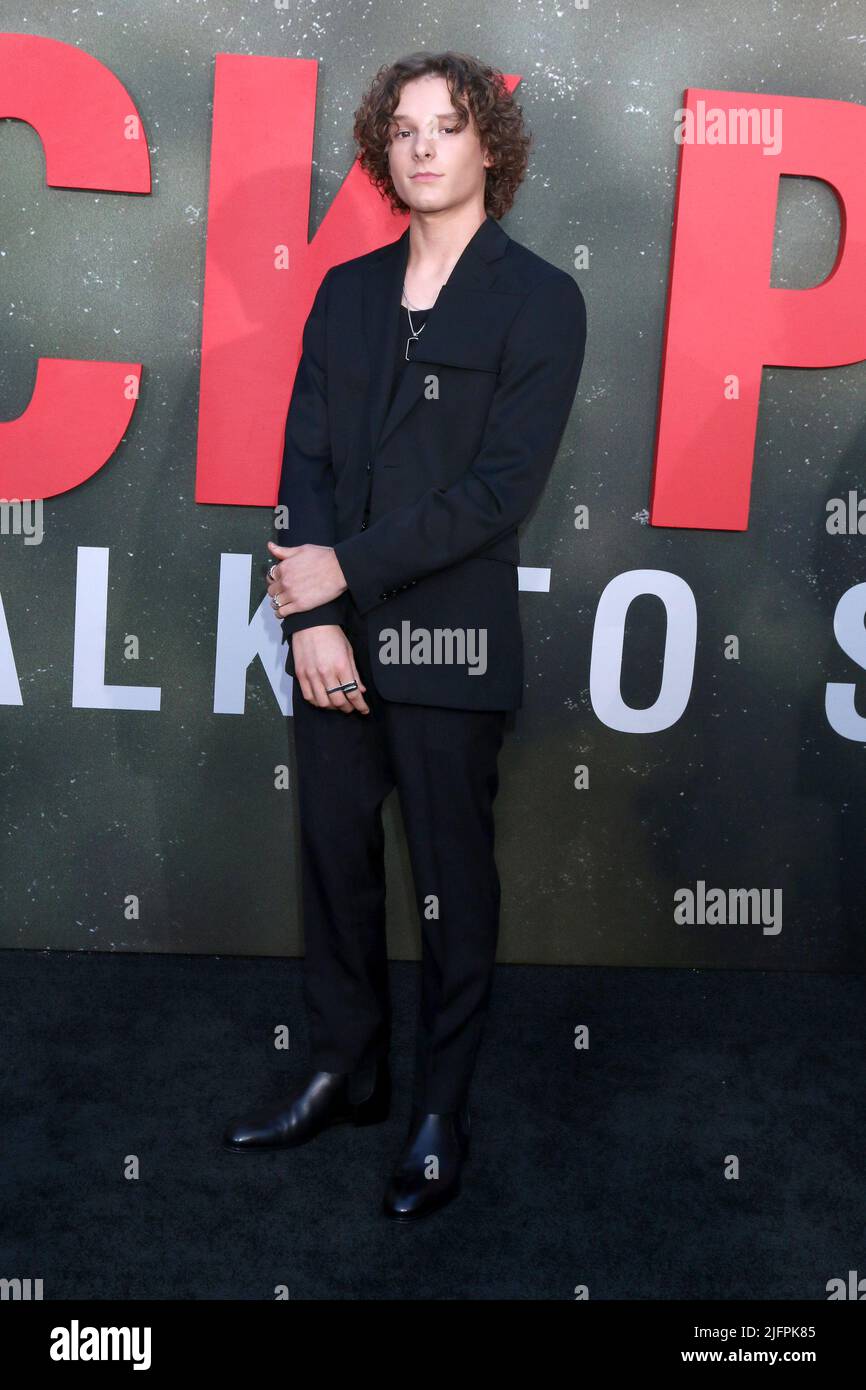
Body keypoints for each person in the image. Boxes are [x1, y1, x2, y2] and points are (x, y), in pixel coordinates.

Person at [223, 49, 587, 1221]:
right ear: (386, 150)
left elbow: (497, 490)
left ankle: (440, 1107)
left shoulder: (540, 299)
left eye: (449, 126)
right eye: (405, 129)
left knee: (449, 887)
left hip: (451, 644)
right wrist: (314, 615)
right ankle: (347, 1067)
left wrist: (344, 571)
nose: (424, 146)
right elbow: (305, 462)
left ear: (491, 149)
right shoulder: (343, 294)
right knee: (333, 859)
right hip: (334, 639)